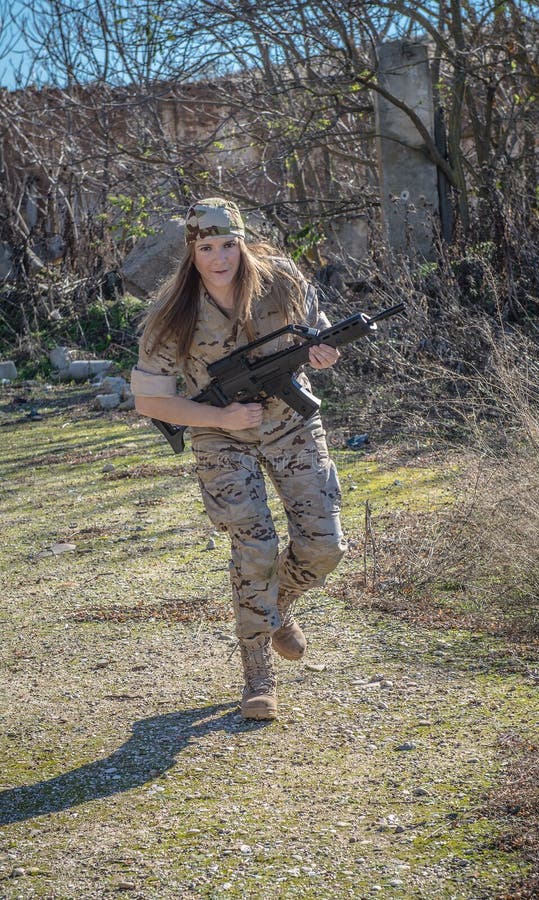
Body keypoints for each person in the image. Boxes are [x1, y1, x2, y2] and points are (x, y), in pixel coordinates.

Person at [131, 197, 347, 720]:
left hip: (290, 423)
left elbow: (318, 340)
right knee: (254, 544)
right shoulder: (172, 314)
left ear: (243, 242)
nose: (220, 258)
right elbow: (149, 400)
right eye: (207, 248)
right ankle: (257, 676)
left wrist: (324, 354)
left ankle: (276, 608)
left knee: (325, 546)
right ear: (192, 251)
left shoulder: (283, 282)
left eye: (229, 245)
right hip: (220, 435)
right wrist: (221, 419)